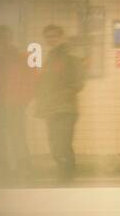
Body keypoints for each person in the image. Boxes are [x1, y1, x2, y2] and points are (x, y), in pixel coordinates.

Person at [33, 24, 85, 184]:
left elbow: (78, 83)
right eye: (48, 37)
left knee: (63, 144)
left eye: (54, 36)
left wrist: (58, 95)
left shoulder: (70, 57)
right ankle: (65, 175)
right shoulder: (49, 58)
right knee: (55, 145)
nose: (51, 39)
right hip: (51, 109)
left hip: (66, 109)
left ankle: (67, 177)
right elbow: (44, 84)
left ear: (61, 37)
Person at [0, 26, 33, 182]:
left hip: (14, 105)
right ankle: (3, 170)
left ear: (9, 39)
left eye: (3, 38)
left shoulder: (20, 57)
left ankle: (24, 169)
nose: (0, 42)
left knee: (17, 137)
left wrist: (23, 101)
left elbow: (29, 82)